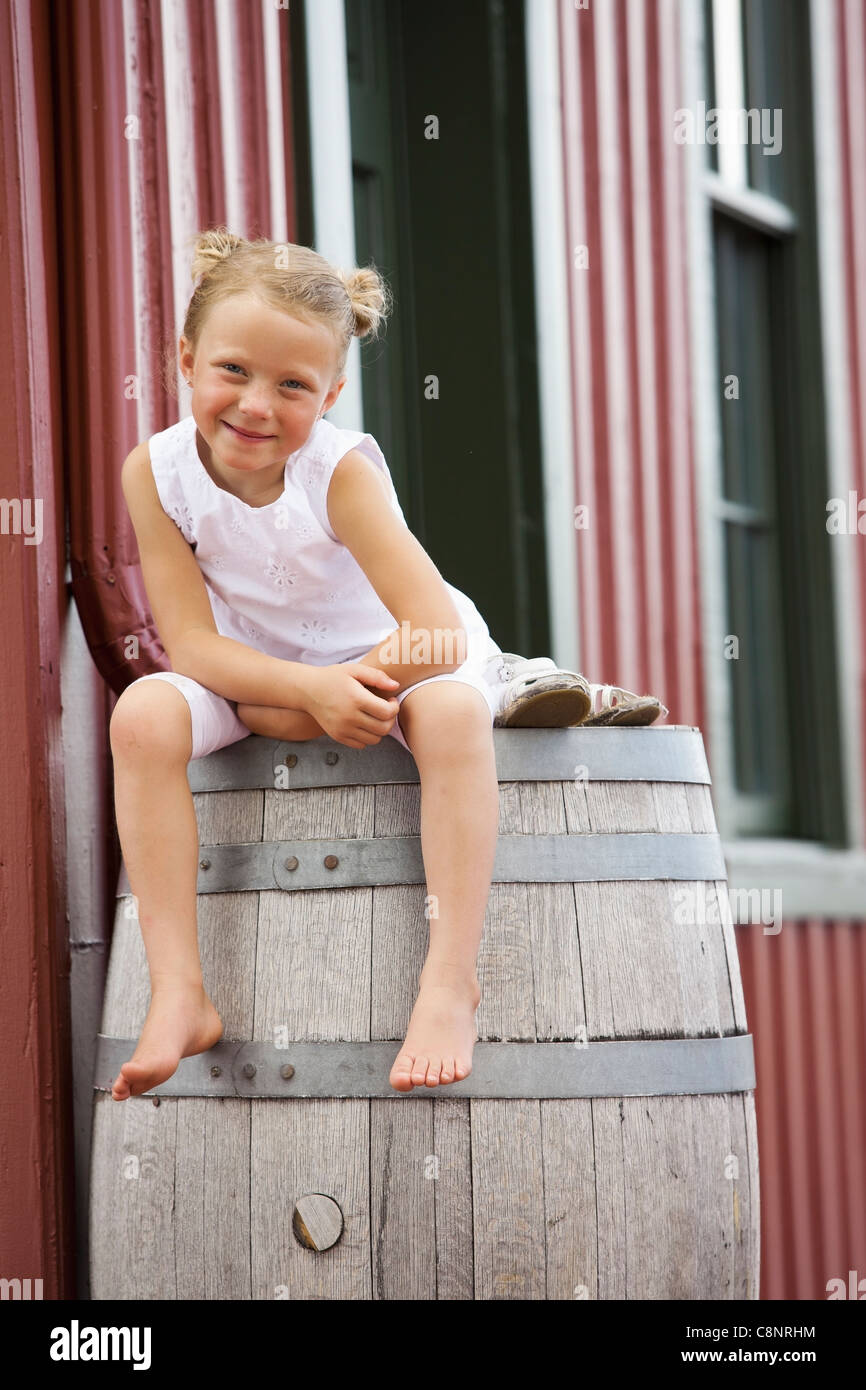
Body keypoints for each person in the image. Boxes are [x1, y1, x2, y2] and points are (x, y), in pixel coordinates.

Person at [108, 227, 662, 1103]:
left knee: (448, 713)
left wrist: (347, 686)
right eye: (233, 371)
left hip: (396, 658)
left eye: (292, 385)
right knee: (140, 715)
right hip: (262, 671)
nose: (256, 404)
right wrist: (301, 695)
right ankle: (180, 989)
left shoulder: (337, 474)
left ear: (329, 391)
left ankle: (450, 977)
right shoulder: (157, 471)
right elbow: (194, 645)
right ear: (184, 359)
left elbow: (433, 626)